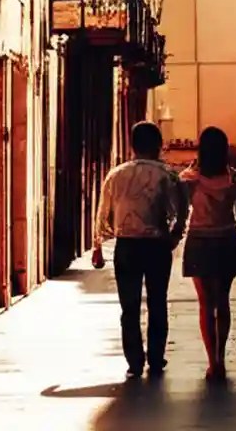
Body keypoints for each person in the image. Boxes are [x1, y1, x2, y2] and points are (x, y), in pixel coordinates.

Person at [91, 121, 188, 379]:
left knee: (129, 306)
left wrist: (98, 246)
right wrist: (174, 237)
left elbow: (103, 212)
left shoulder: (116, 175)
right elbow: (180, 211)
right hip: (157, 246)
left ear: (132, 145)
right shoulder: (168, 175)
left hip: (127, 247)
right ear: (158, 145)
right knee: (158, 302)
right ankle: (156, 357)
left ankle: (134, 360)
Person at [179, 127, 236, 380]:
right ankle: (221, 358)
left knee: (205, 304)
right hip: (227, 240)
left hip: (200, 242)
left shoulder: (190, 179)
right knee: (223, 302)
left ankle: (211, 361)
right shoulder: (234, 179)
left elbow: (181, 213)